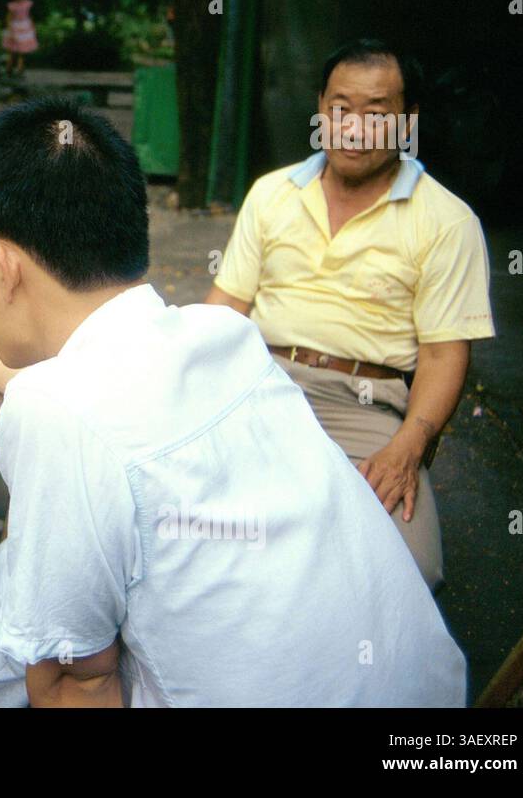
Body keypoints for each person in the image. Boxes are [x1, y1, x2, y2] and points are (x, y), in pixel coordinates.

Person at [0, 97, 466, 707]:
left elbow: (80, 681)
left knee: (26, 607)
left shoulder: (57, 410)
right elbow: (100, 400)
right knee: (11, 580)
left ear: (6, 264)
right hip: (428, 699)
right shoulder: (221, 336)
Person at [205, 39, 495, 591]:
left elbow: (442, 354)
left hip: (362, 409)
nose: (353, 126)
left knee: (410, 571)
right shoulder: (272, 193)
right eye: (340, 106)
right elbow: (226, 307)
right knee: (187, 526)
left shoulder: (447, 220)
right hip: (258, 385)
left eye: (376, 111)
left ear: (407, 121)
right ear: (320, 110)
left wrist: (409, 446)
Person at [1, 0, 38, 77]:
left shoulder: (27, 3)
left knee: (22, 51)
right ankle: (8, 70)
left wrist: (33, 27)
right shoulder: (12, 5)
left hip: (25, 26)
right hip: (15, 26)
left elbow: (30, 15)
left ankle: (20, 70)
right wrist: (10, 30)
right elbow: (8, 18)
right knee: (12, 51)